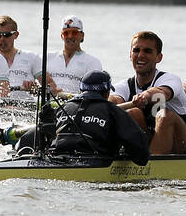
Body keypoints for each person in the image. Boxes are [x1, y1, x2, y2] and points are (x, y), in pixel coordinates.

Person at [19, 70, 148, 167]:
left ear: (81, 91)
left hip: (55, 162)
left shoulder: (63, 108)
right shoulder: (115, 111)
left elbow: (34, 136)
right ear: (107, 93)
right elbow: (142, 157)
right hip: (95, 165)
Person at [109, 31, 186, 155]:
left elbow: (162, 94)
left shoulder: (170, 79)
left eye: (147, 51)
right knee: (132, 113)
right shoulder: (124, 86)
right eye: (136, 50)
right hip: (148, 140)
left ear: (159, 57)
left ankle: (151, 165)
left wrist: (146, 95)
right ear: (130, 55)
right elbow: (114, 100)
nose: (141, 55)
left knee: (164, 116)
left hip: (179, 144)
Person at [0, 15, 57, 97]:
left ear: (16, 35)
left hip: (26, 107)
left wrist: (36, 89)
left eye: (6, 35)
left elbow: (51, 86)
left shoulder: (31, 57)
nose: (2, 39)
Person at [46, 15, 103, 98]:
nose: (70, 36)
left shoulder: (93, 62)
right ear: (61, 36)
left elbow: (93, 92)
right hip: (49, 104)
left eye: (74, 32)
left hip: (76, 106)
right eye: (66, 33)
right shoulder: (47, 57)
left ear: (82, 35)